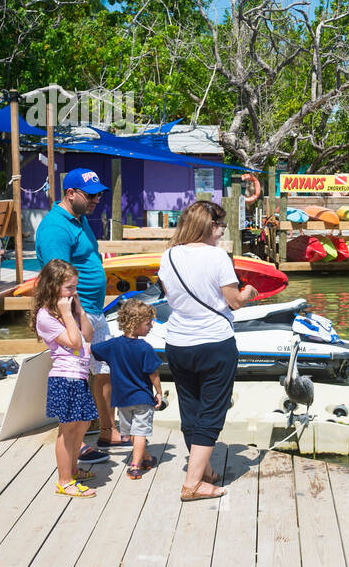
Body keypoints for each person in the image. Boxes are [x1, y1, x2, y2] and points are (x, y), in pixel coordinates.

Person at [159, 201, 256, 501]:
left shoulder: (169, 256)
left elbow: (168, 293)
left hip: (177, 342)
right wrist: (249, 292)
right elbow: (234, 301)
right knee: (212, 412)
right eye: (220, 227)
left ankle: (205, 471)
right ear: (210, 225)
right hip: (214, 342)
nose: (221, 233)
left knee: (190, 408)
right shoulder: (217, 257)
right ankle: (192, 484)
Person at [34, 167, 120, 463]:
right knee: (77, 375)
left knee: (103, 369)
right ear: (70, 194)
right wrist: (78, 313)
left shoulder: (80, 219)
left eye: (99, 193)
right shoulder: (56, 228)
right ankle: (78, 443)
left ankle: (104, 428)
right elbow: (60, 279)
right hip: (74, 313)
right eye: (91, 194)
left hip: (93, 309)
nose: (97, 199)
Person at [31, 260, 99, 498]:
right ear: (53, 286)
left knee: (84, 423)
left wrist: (79, 311)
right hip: (64, 377)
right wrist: (67, 313)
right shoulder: (46, 317)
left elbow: (88, 335)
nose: (74, 292)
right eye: (70, 288)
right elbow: (75, 342)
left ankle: (72, 469)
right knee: (67, 430)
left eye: (75, 287)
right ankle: (64, 481)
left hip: (78, 376)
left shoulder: (69, 311)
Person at [90, 298, 164, 481]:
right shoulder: (145, 348)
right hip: (142, 398)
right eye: (148, 324)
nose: (151, 327)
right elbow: (153, 373)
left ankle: (145, 457)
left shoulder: (113, 345)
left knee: (131, 432)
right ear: (136, 324)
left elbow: (92, 350)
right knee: (141, 432)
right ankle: (134, 465)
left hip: (121, 399)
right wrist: (159, 392)